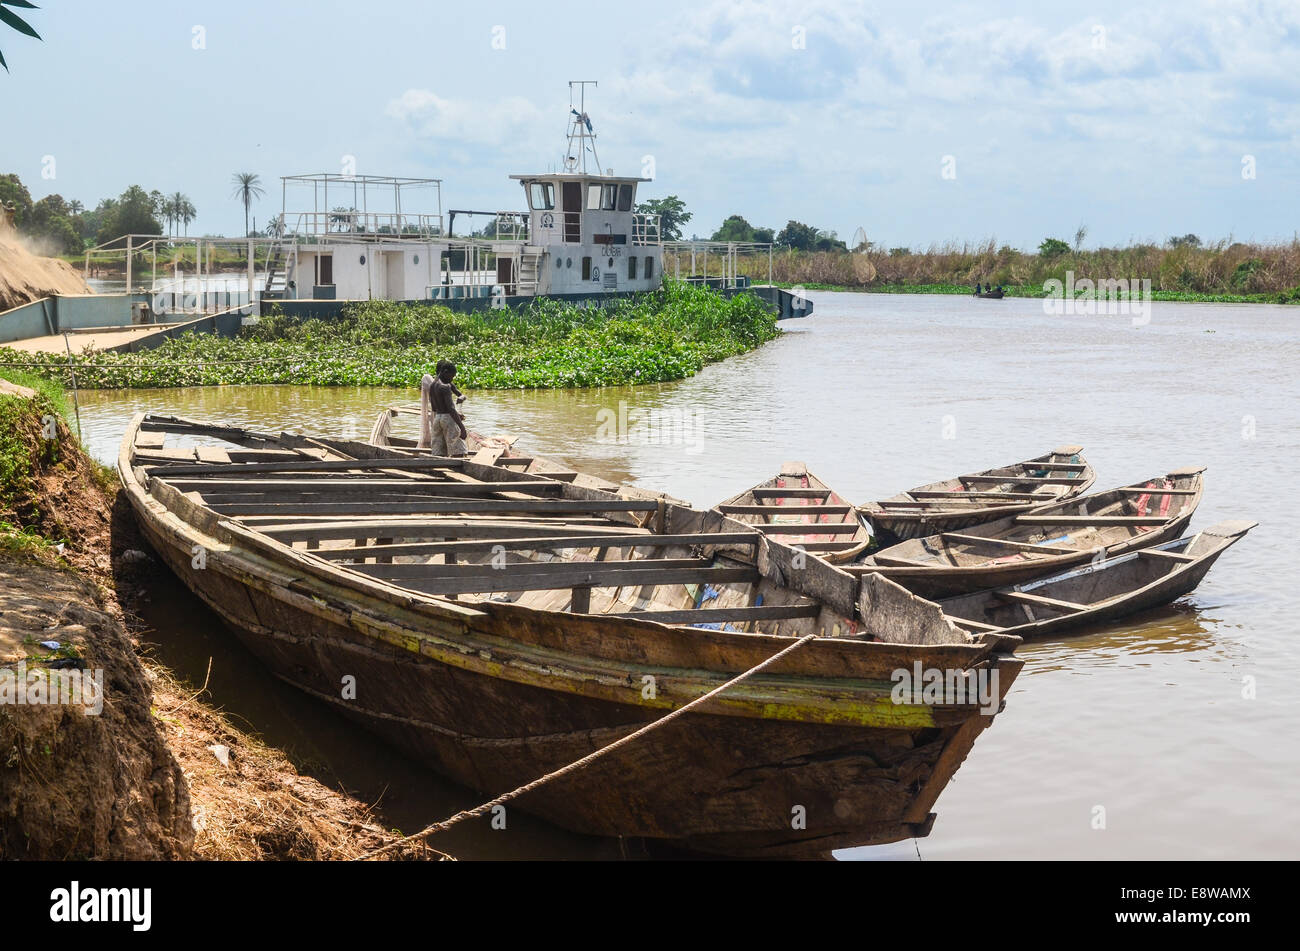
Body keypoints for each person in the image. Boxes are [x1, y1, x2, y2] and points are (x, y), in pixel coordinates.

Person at [428, 361, 468, 457]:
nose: (452, 378)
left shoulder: (433, 385)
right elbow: (451, 408)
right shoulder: (445, 387)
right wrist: (462, 428)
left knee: (439, 449)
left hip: (437, 418)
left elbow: (434, 407)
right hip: (448, 419)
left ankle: (438, 467)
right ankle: (457, 468)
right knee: (458, 449)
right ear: (445, 372)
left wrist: (462, 397)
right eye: (452, 376)